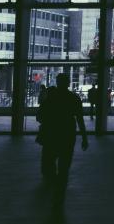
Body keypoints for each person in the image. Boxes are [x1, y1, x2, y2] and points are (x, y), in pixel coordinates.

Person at [36, 73, 89, 206]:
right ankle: (60, 192)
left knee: (49, 161)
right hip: (68, 135)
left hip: (52, 134)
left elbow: (40, 117)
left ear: (58, 82)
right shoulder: (74, 99)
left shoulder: (51, 98)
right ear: (68, 83)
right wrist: (84, 137)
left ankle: (53, 185)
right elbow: (80, 120)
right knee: (64, 166)